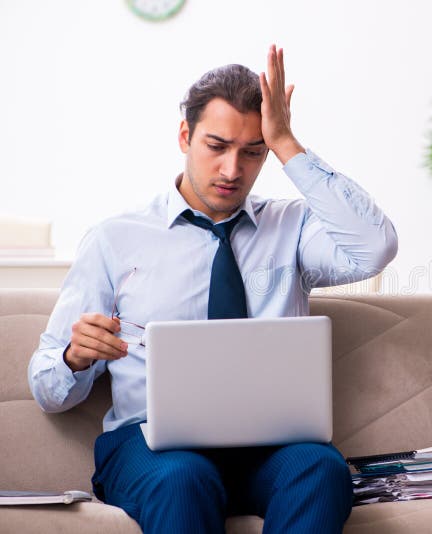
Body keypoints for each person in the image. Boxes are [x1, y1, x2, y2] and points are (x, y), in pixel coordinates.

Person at [27, 44, 398, 534]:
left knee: (321, 469)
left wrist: (287, 142)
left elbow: (374, 247)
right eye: (217, 146)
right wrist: (76, 357)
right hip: (155, 447)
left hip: (272, 445)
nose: (232, 170)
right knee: (183, 478)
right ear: (185, 135)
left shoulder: (292, 229)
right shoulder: (115, 239)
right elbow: (46, 386)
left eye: (252, 152)